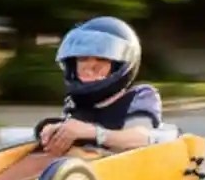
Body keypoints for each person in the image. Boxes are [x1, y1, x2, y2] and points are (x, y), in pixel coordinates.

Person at [35, 16, 164, 155]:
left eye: (102, 59)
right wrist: (56, 131)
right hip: (79, 173)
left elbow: (142, 138)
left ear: (118, 66)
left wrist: (92, 133)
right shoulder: (76, 102)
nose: (89, 67)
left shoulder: (141, 96)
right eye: (83, 59)